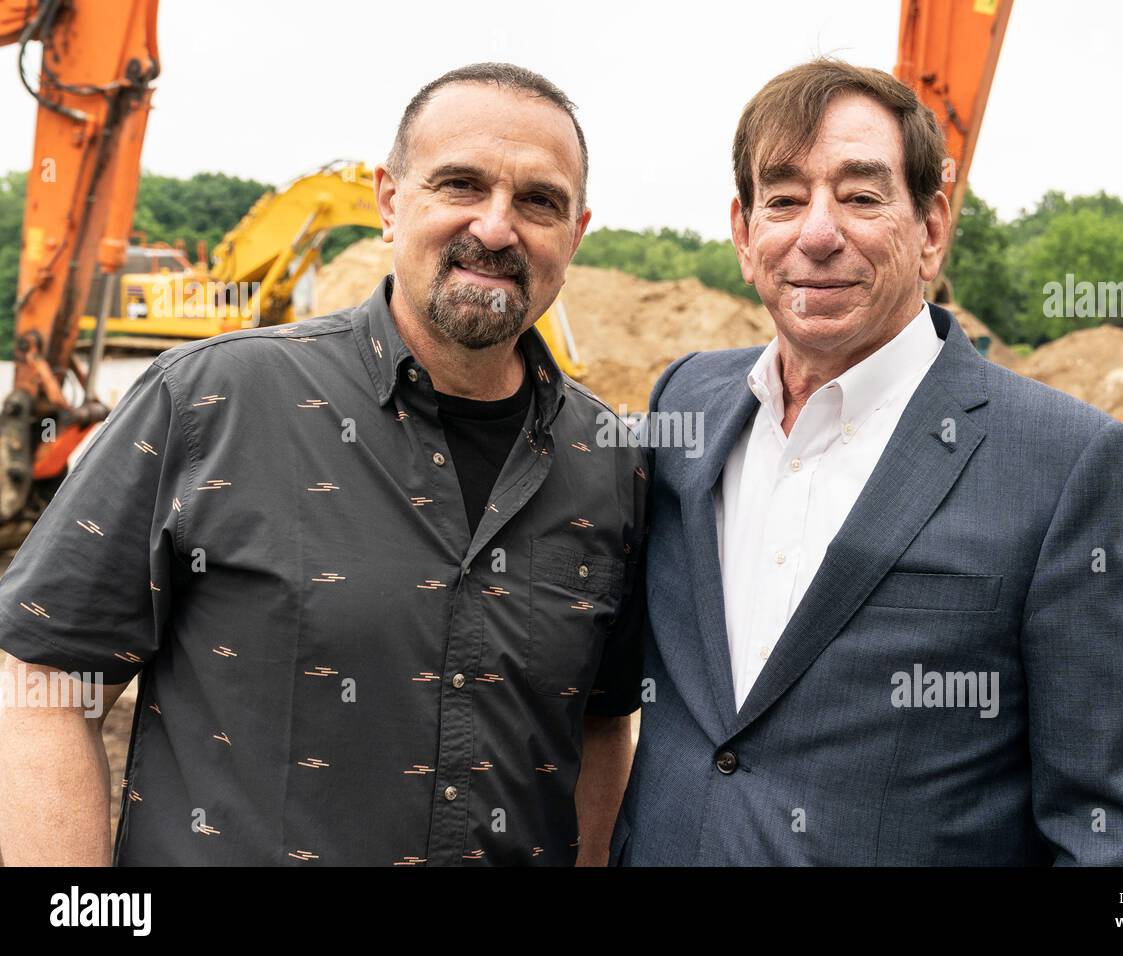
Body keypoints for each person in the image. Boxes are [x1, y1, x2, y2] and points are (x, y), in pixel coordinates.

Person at [0, 62, 644, 867]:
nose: (495, 227)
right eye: (460, 185)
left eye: (539, 201)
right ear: (388, 201)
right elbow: (41, 685)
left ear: (576, 234)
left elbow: (603, 720)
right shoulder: (211, 400)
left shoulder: (613, 465)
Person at [614, 58, 1123, 866]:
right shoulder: (684, 405)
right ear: (744, 236)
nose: (818, 233)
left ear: (930, 228)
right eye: (784, 199)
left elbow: (1118, 834)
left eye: (860, 196)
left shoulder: (1068, 466)